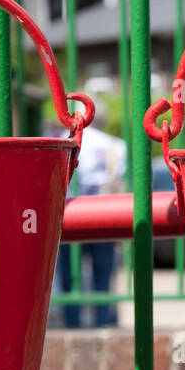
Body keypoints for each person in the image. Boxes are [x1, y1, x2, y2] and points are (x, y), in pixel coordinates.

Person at [58, 101, 126, 327]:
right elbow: (119, 178)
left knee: (70, 277)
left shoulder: (63, 140)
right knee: (103, 274)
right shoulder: (116, 145)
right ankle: (103, 320)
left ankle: (73, 323)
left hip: (69, 215)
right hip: (103, 216)